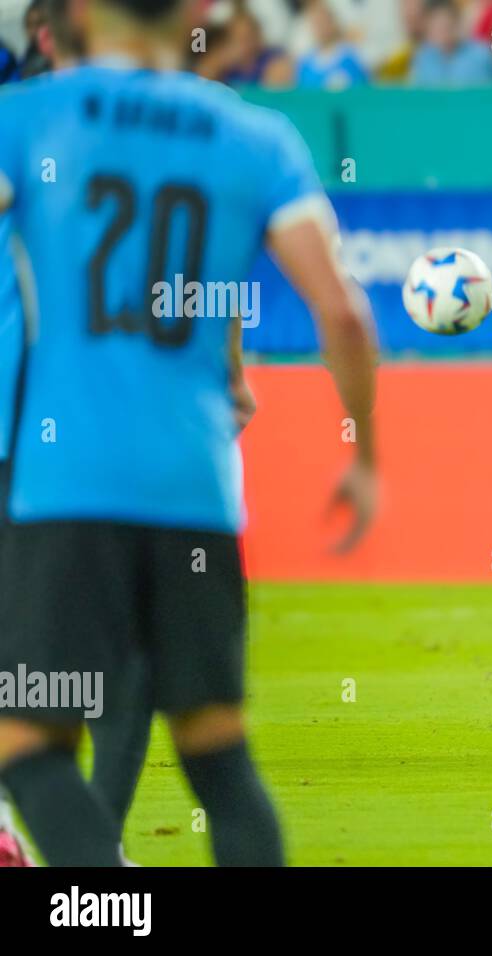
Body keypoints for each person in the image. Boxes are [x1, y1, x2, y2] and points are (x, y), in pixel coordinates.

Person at [0, 0, 378, 866]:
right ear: (200, 13)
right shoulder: (255, 136)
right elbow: (345, 317)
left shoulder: (28, 117)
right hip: (197, 493)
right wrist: (365, 457)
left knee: (27, 743)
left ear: (83, 12)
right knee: (218, 754)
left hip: (66, 488)